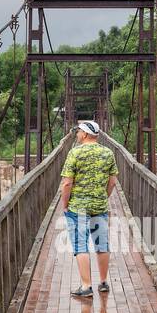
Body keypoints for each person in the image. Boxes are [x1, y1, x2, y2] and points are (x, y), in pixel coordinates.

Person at [60, 120, 118, 299]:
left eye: (78, 132)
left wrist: (65, 205)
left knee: (80, 245)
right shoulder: (108, 153)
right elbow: (113, 181)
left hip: (78, 208)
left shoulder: (75, 153)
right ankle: (103, 282)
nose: (77, 135)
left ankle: (86, 286)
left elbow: (67, 182)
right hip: (99, 206)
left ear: (84, 134)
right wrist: (103, 197)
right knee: (102, 244)